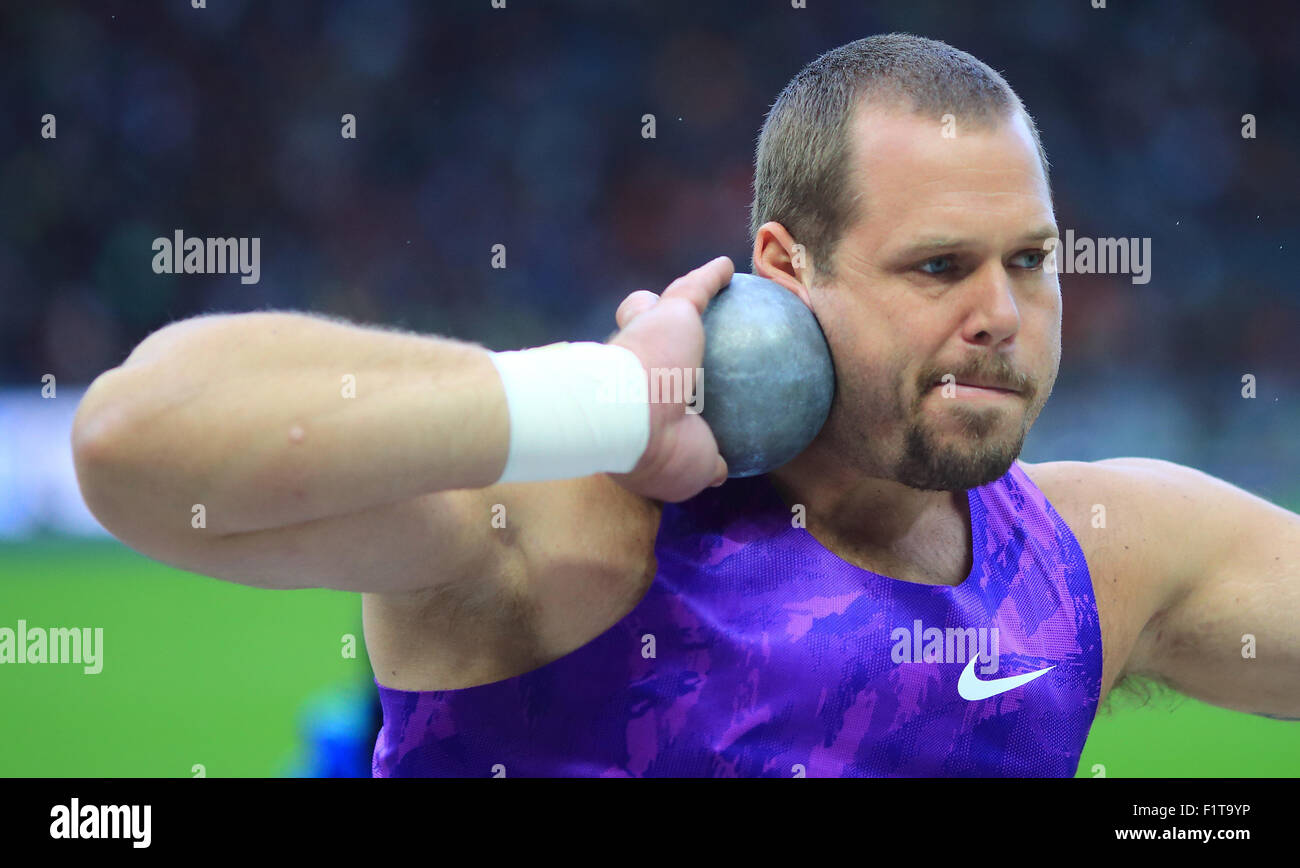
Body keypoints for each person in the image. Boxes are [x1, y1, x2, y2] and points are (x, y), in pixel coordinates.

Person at [71, 34, 1299, 777]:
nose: (1002, 313)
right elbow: (137, 443)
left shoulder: (1103, 562)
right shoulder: (574, 529)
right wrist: (607, 394)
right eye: (939, 266)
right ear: (785, 267)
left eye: (1028, 261)